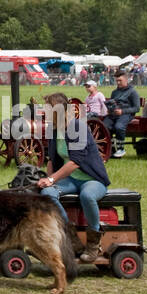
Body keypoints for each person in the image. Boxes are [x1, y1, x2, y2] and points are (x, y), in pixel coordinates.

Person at [36, 92, 111, 263]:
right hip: (70, 180)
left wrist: (52, 179)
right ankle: (71, 239)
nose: (43, 112)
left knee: (87, 195)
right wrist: (47, 181)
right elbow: (51, 160)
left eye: (46, 108)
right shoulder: (53, 130)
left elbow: (75, 162)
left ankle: (93, 244)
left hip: (91, 179)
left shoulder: (77, 127)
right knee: (48, 194)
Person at [106, 70, 139, 157]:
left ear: (126, 79)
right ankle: (111, 150)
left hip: (126, 114)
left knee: (119, 127)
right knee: (104, 126)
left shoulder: (133, 92)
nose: (118, 82)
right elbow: (112, 103)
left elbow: (136, 108)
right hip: (113, 114)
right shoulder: (114, 92)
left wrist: (122, 111)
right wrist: (110, 109)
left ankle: (121, 149)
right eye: (117, 81)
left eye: (120, 80)